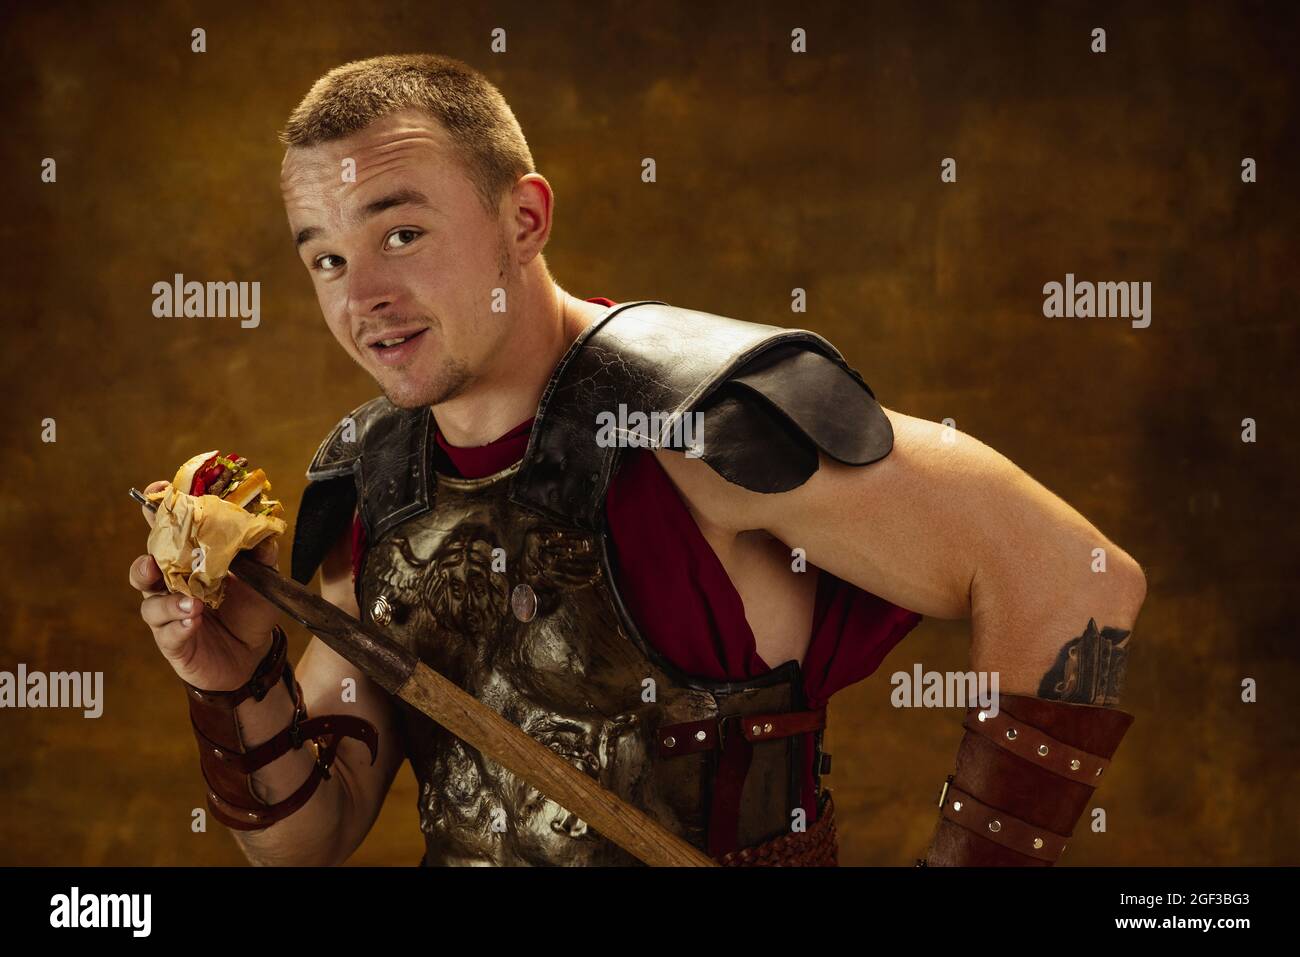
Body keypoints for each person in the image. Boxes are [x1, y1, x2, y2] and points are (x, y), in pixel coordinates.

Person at [128, 54, 1146, 867]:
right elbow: (308, 839)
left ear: (523, 219)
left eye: (401, 231)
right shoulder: (376, 479)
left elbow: (1069, 575)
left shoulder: (697, 418)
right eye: (326, 258)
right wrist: (235, 681)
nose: (361, 297)